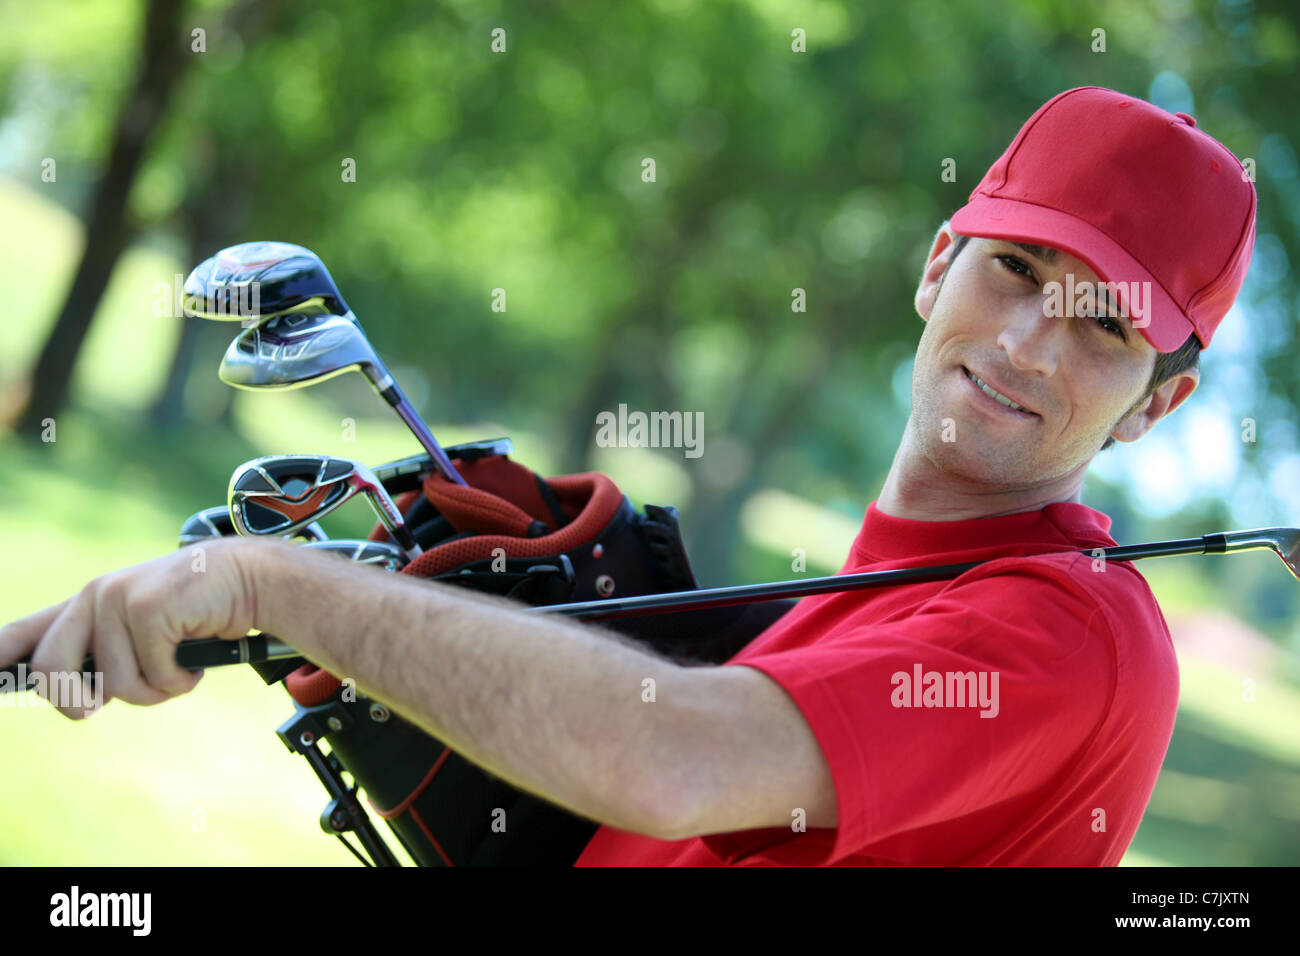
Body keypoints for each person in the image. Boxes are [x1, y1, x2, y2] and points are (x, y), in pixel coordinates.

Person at [0, 86, 1257, 866]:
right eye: (1020, 270)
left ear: (1161, 405)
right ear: (939, 265)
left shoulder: (1074, 630)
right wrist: (425, 645)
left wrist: (274, 581)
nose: (1031, 341)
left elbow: (679, 763)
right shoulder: (873, 597)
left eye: (1106, 326)